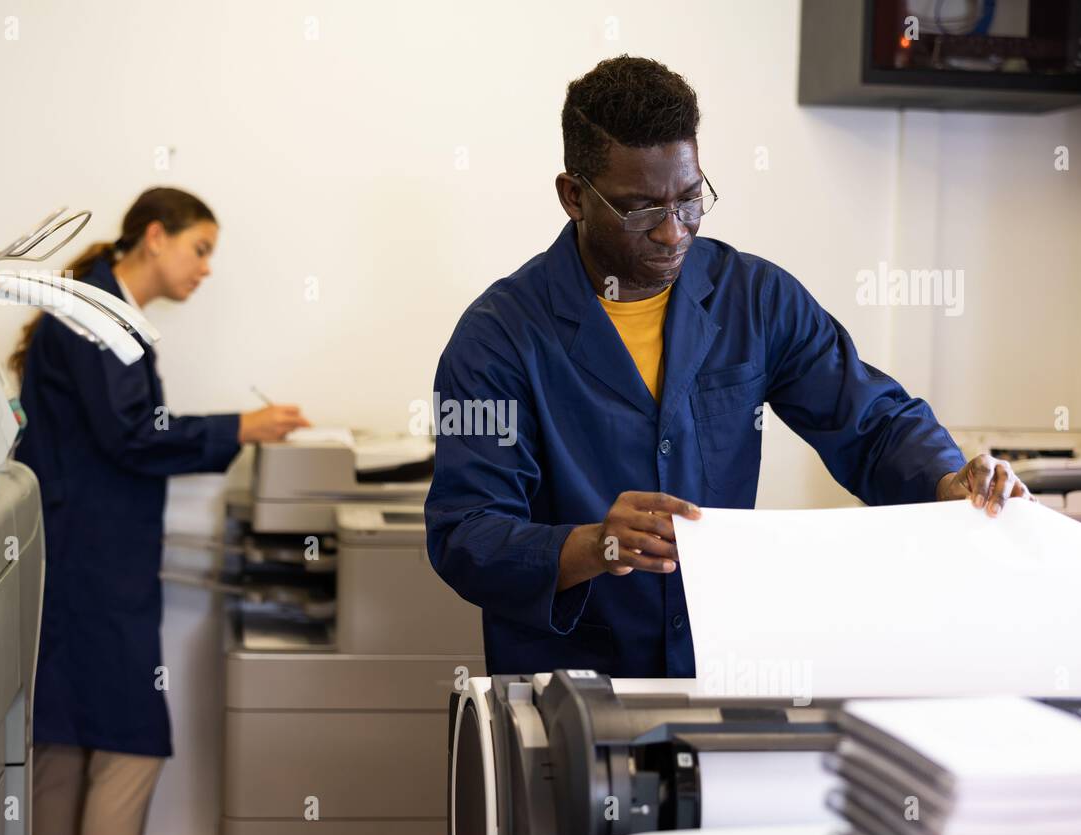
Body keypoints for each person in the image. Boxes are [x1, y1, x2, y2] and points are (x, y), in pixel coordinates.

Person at [425, 56, 1030, 679]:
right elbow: (466, 533)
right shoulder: (496, 339)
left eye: (690, 200)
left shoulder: (755, 299)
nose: (671, 233)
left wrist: (944, 479)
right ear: (574, 195)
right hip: (568, 686)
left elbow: (871, 421)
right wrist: (592, 544)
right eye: (640, 209)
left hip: (718, 664)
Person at [9, 187, 309, 835]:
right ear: (154, 236)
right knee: (127, 744)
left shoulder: (104, 308)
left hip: (82, 559)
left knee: (64, 744)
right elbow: (135, 434)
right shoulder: (99, 316)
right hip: (92, 567)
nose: (206, 268)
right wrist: (242, 426)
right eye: (199, 249)